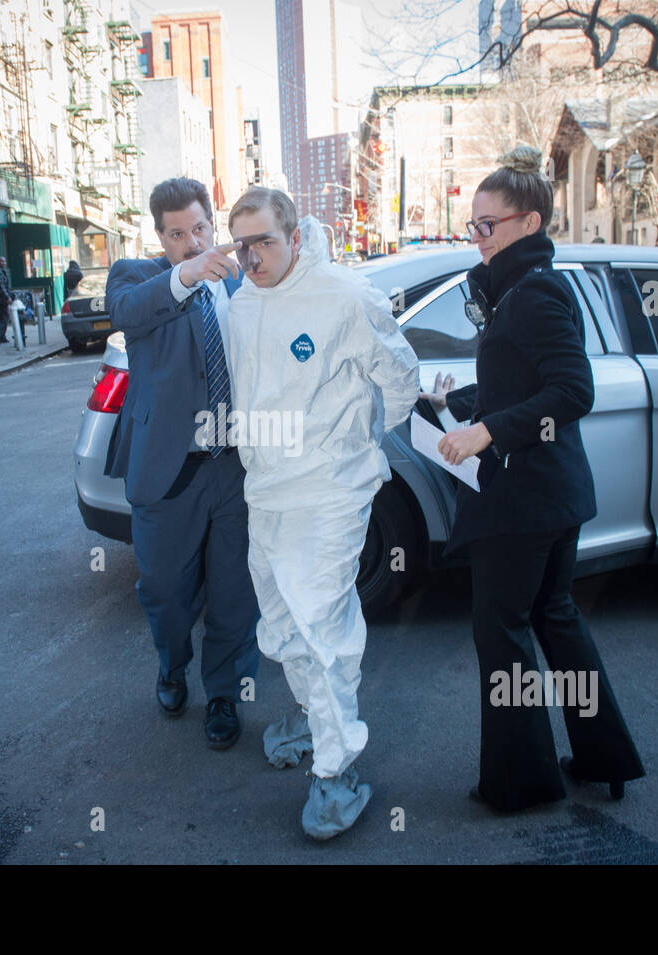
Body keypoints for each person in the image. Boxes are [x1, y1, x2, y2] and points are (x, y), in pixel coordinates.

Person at [430, 145, 644, 812]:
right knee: (554, 619)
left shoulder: (537, 290)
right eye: (472, 225)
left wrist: (486, 432)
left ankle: (521, 782)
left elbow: (572, 390)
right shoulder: (523, 289)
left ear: (528, 223)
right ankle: (604, 755)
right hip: (547, 492)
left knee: (504, 632)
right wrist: (454, 406)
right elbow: (523, 385)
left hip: (525, 499)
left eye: (485, 225)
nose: (476, 238)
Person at [224, 188, 420, 840]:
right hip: (267, 492)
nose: (252, 257)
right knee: (280, 626)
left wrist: (353, 446)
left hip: (330, 495)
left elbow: (400, 378)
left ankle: (337, 772)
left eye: (265, 242)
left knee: (323, 631)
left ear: (296, 237)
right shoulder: (243, 299)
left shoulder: (344, 295)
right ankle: (313, 718)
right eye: (241, 244)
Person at [103, 177, 260, 750]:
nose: (192, 243)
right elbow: (125, 312)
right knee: (166, 592)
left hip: (236, 467)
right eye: (177, 235)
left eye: (199, 229)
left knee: (234, 592)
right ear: (160, 238)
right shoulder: (138, 278)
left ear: (212, 225)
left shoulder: (243, 281)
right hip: (172, 470)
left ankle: (223, 693)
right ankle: (172, 666)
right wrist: (186, 275)